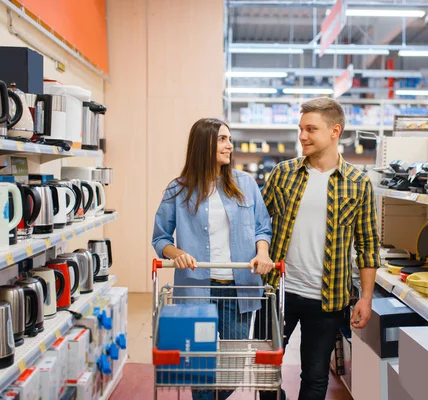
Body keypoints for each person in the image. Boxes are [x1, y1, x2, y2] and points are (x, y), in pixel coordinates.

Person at [260, 97, 380, 400]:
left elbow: (367, 245)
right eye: (301, 129)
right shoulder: (283, 174)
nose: (302, 136)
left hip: (327, 299)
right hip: (279, 292)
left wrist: (365, 298)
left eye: (311, 129)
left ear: (334, 131)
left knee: (315, 376)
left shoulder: (358, 183)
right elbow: (257, 224)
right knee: (266, 371)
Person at [152, 118, 274, 400]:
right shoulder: (178, 188)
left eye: (229, 139)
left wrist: (263, 252)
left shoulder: (245, 183)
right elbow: (160, 239)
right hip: (196, 289)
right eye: (222, 139)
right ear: (203, 144)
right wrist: (177, 253)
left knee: (232, 369)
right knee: (201, 369)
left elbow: (261, 227)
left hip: (238, 288)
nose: (229, 145)